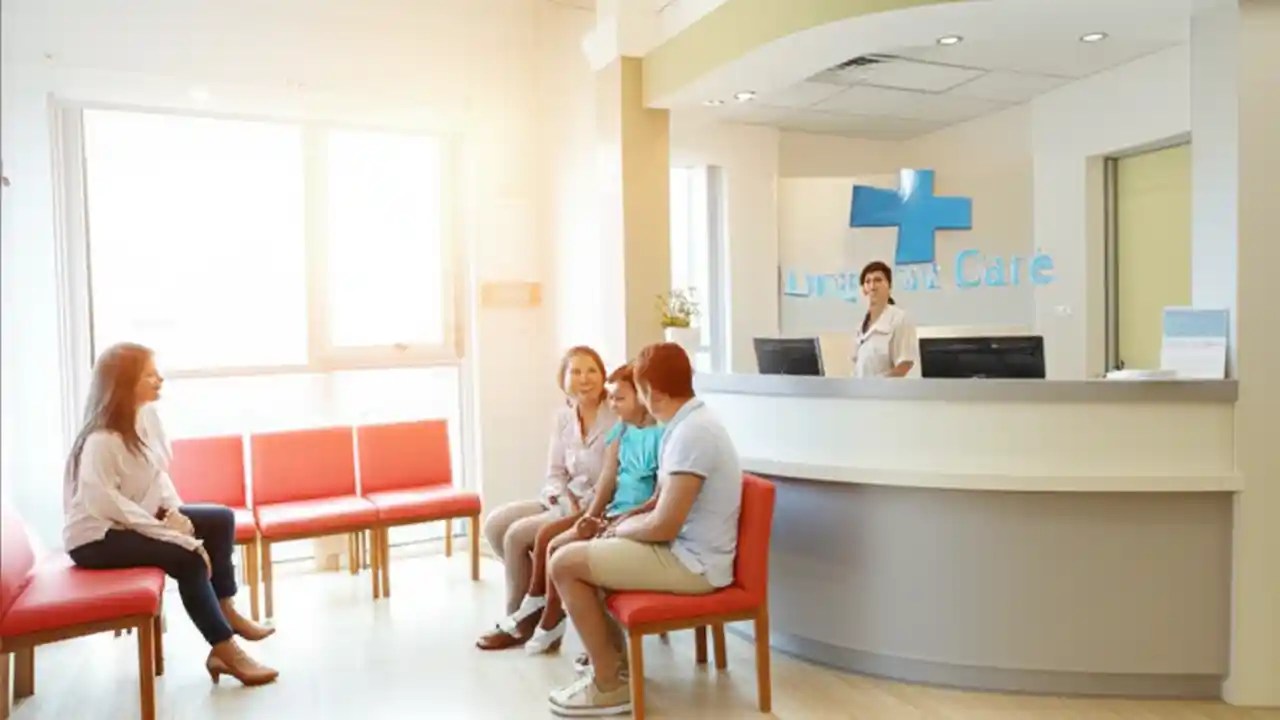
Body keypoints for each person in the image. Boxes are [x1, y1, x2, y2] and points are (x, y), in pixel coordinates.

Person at [63, 342, 278, 686]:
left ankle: (225, 607)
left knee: (220, 519)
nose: (160, 379)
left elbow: (157, 477)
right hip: (97, 538)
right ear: (124, 384)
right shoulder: (101, 441)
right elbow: (108, 506)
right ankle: (224, 649)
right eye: (149, 375)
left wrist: (176, 516)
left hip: (132, 521)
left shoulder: (147, 418)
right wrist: (176, 537)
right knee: (187, 558)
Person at [546, 342, 742, 716]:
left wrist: (620, 532)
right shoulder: (683, 424)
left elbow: (664, 525)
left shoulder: (693, 434)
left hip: (694, 564)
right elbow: (657, 501)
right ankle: (615, 667)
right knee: (581, 552)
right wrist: (616, 524)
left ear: (652, 392)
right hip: (682, 549)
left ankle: (609, 685)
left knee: (565, 564)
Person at [476, 345, 617, 650]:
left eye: (592, 370)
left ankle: (520, 622)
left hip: (594, 507)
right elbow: (554, 473)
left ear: (603, 375)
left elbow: (613, 477)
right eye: (575, 371)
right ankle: (539, 606)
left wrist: (578, 506)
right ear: (563, 379)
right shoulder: (563, 418)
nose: (584, 378)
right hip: (563, 499)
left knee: (517, 535)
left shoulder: (615, 417)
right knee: (495, 525)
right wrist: (561, 496)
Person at [520, 364, 663, 656]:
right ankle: (552, 619)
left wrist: (616, 522)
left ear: (642, 396)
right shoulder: (620, 431)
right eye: (611, 398)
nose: (613, 404)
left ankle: (596, 644)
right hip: (611, 512)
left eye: (620, 398)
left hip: (636, 520)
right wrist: (590, 517)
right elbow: (608, 479)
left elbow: (659, 496)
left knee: (571, 556)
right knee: (554, 543)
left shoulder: (661, 436)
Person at [852, 260, 919, 378]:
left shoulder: (899, 318)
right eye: (868, 281)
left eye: (878, 280)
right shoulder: (861, 325)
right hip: (862, 389)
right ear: (863, 289)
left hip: (888, 389)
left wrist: (877, 384)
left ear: (889, 286)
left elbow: (905, 365)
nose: (872, 286)